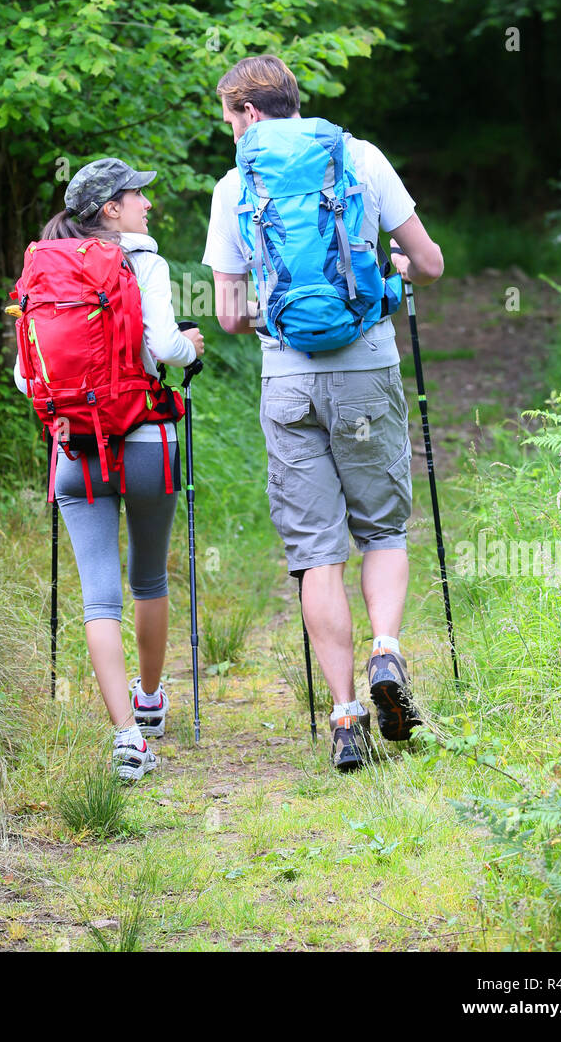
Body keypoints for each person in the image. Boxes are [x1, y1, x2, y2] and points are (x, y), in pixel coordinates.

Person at [202, 55, 444, 772]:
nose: (230, 133)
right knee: (383, 529)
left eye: (228, 119)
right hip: (366, 372)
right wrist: (391, 276)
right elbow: (428, 262)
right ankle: (387, 656)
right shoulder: (359, 157)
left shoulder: (233, 186)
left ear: (246, 112)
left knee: (316, 554)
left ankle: (344, 719)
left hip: (289, 387)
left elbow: (231, 318)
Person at [13, 158, 204, 780]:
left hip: (74, 454)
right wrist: (191, 347)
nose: (146, 203)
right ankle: (150, 704)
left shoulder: (44, 270)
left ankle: (127, 738)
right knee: (148, 579)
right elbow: (163, 347)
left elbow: (24, 375)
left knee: (99, 598)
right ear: (109, 211)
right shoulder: (143, 262)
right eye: (135, 195)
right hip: (146, 441)